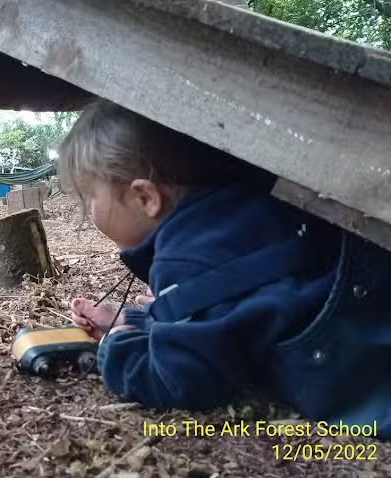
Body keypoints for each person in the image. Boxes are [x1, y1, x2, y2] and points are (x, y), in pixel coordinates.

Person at [60, 99, 391, 438]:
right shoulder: (232, 213)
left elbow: (185, 380)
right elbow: (232, 314)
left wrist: (116, 349)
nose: (87, 212)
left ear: (145, 197)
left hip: (369, 385)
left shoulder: (184, 258)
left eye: (89, 198)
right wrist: (132, 319)